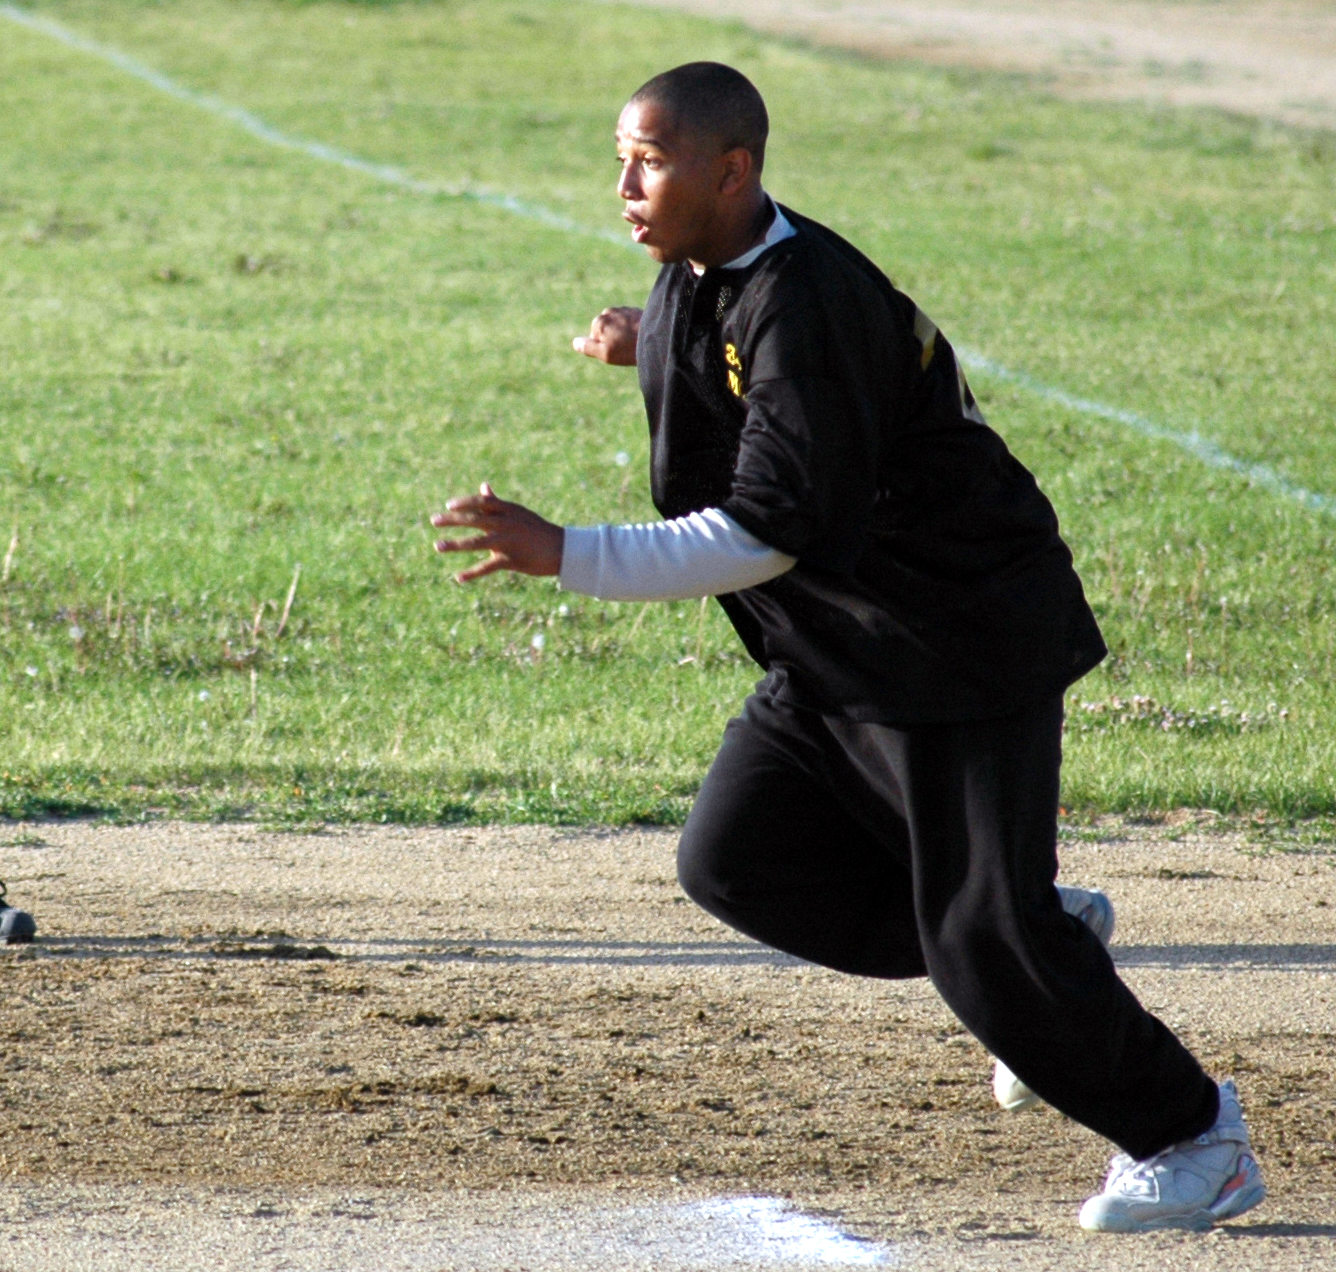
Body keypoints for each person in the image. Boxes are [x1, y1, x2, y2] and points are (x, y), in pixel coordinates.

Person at [432, 62, 1265, 1233]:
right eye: (621, 155)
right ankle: (1041, 947)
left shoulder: (803, 303)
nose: (624, 183)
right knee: (738, 861)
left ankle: (1190, 1136)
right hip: (841, 652)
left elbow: (768, 530)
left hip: (949, 645)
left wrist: (566, 552)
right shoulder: (706, 273)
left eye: (652, 159)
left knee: (975, 939)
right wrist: (644, 346)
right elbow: (739, 371)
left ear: (733, 171)